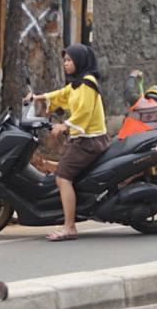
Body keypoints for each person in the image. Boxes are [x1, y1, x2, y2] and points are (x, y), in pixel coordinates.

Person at [27, 44, 108, 242]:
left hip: (89, 141)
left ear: (80, 61)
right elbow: (63, 94)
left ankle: (69, 227)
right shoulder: (77, 83)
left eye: (69, 60)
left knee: (63, 176)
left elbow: (85, 112)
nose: (65, 64)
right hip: (84, 139)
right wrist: (38, 98)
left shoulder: (87, 83)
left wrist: (64, 126)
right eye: (64, 60)